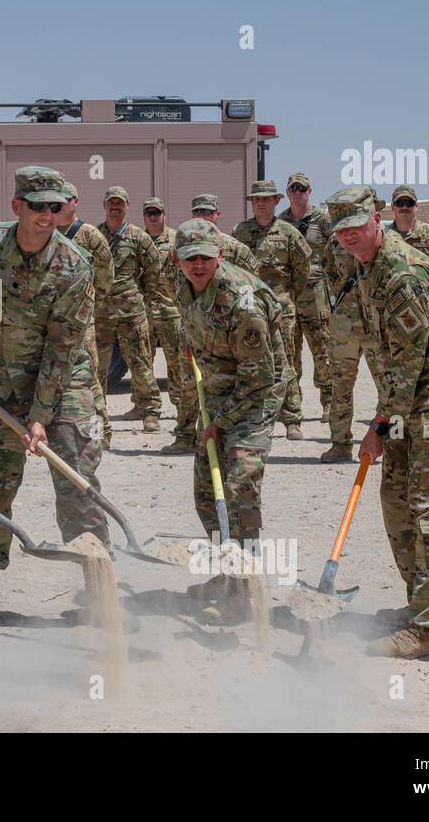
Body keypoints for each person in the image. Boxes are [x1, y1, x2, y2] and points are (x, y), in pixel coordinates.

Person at [0, 167, 104, 631]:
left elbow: (61, 348)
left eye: (55, 207)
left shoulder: (74, 266)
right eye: (37, 207)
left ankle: (98, 592)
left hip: (63, 383)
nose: (47, 216)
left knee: (77, 486)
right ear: (17, 207)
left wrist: (40, 418)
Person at [326, 186, 429, 660]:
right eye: (341, 231)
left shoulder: (403, 272)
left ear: (377, 218)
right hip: (403, 402)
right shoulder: (366, 266)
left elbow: (409, 364)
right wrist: (386, 420)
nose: (349, 237)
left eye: (357, 226)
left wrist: (377, 426)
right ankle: (422, 607)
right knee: (396, 498)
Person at [173, 218, 286, 624]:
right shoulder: (183, 285)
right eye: (190, 258)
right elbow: (189, 325)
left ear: (219, 255)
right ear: (178, 260)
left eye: (205, 257)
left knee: (238, 487)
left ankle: (245, 591)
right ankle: (226, 575)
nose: (198, 265)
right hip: (219, 392)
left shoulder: (243, 302)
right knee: (207, 492)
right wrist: (191, 349)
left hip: (256, 394)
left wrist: (219, 423)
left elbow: (259, 377)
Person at [162, 193, 260, 455]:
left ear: (217, 214)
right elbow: (174, 287)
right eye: (199, 212)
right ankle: (184, 435)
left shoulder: (235, 248)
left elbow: (250, 283)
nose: (203, 217)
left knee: (226, 382)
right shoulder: (179, 247)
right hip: (194, 330)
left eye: (208, 212)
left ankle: (220, 430)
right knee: (188, 383)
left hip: (229, 332)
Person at [233, 180, 318, 440]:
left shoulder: (289, 233)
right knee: (252, 361)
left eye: (266, 198)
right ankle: (257, 417)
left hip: (281, 308)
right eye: (257, 199)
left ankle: (292, 419)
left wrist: (287, 295)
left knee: (286, 363)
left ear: (276, 201)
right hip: (250, 309)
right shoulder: (241, 232)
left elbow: (302, 270)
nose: (261, 203)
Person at [320, 189, 387, 463]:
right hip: (345, 324)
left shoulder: (387, 246)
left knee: (387, 386)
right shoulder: (335, 245)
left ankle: (391, 442)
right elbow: (329, 270)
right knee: (340, 385)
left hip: (376, 325)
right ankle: (340, 443)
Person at [96, 187, 165, 432]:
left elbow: (155, 269)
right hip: (102, 313)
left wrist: (142, 297)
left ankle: (149, 411)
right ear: (104, 205)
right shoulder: (95, 236)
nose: (115, 207)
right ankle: (96, 412)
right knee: (98, 365)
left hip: (132, 312)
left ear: (127, 207)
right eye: (111, 203)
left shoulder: (138, 237)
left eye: (119, 203)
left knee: (140, 362)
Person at [53, 175, 113, 445]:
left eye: (65, 201)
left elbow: (106, 272)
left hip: (81, 319)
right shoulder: (48, 234)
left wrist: (91, 305)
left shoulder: (90, 235)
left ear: (75, 202)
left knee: (89, 376)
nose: (60, 207)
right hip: (54, 319)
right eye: (56, 202)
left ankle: (103, 432)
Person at [277, 172, 334, 414]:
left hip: (316, 291)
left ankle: (329, 403)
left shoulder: (322, 219)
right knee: (290, 349)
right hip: (289, 294)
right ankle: (293, 404)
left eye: (303, 188)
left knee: (323, 347)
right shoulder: (280, 221)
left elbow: (337, 251)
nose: (298, 192)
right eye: (294, 188)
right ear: (288, 193)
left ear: (310, 191)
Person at [142, 197, 182, 420]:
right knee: (143, 361)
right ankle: (146, 407)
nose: (153, 217)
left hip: (170, 310)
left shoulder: (177, 239)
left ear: (164, 215)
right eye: (149, 213)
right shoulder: (138, 239)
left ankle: (179, 405)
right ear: (144, 216)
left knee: (175, 361)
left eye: (157, 212)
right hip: (145, 312)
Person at [386, 186, 429, 283]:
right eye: (400, 203)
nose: (404, 207)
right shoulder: (384, 236)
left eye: (409, 203)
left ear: (415, 207)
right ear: (392, 207)